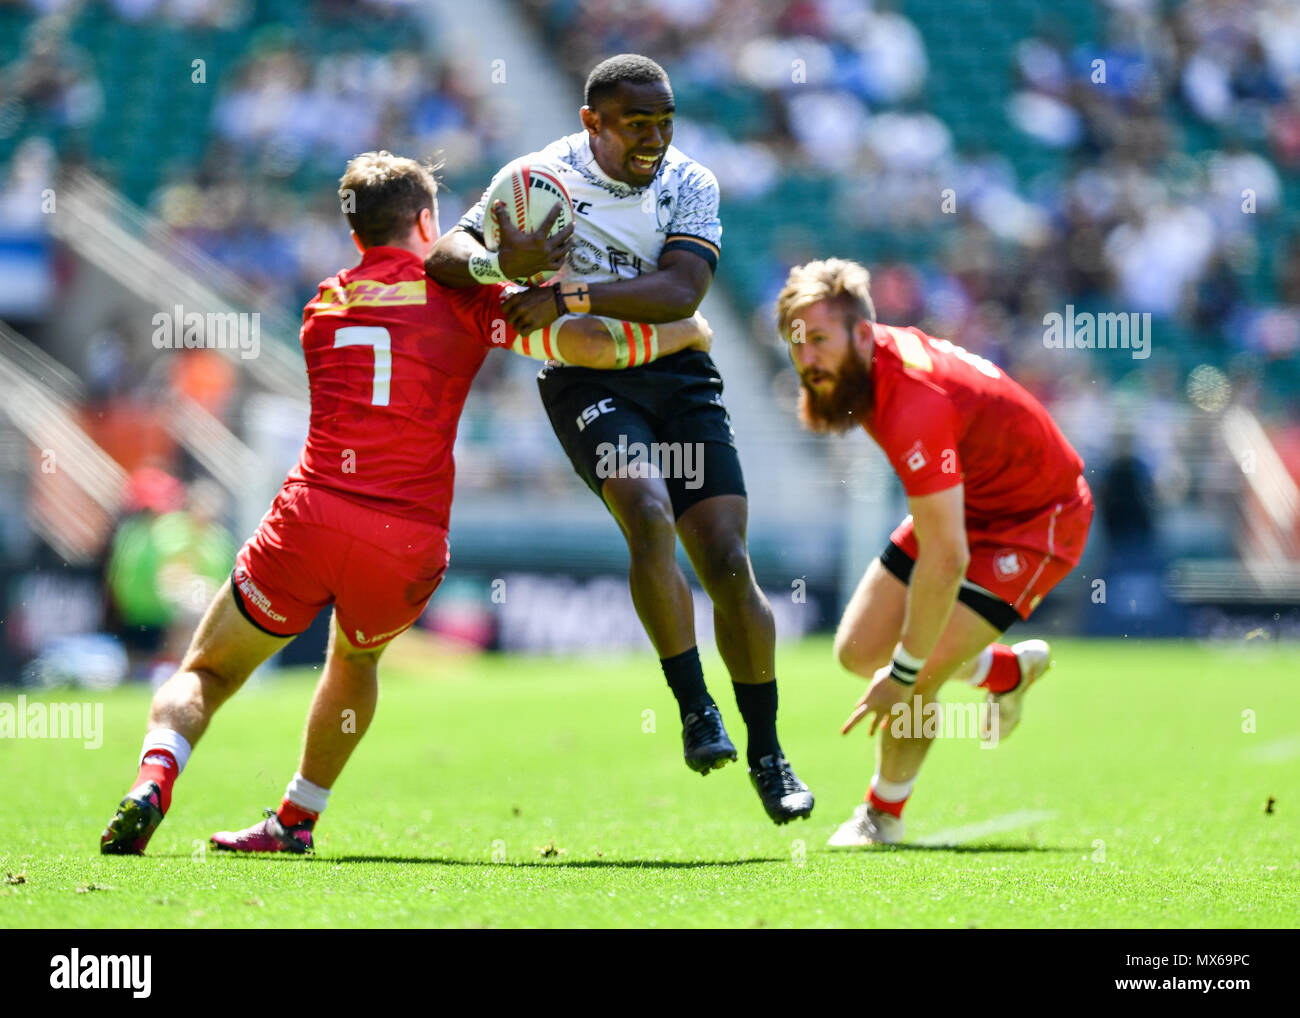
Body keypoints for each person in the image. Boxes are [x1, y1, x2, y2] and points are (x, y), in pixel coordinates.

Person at [100, 150, 712, 855]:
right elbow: (582, 348)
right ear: (427, 220)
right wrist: (680, 331)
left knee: (206, 671)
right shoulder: (460, 298)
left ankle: (154, 778)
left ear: (356, 233)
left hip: (309, 518)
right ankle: (295, 821)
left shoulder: (322, 302)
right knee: (354, 663)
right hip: (405, 539)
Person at [427, 54, 813, 825]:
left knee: (728, 560)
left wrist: (568, 290)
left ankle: (769, 751)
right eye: (637, 123)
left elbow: (681, 291)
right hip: (586, 381)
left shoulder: (689, 183)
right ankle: (696, 707)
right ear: (591, 123)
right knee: (645, 511)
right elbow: (445, 257)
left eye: (665, 121)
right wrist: (496, 261)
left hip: (679, 372)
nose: (655, 137)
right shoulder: (540, 180)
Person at [774, 258, 1094, 846]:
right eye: (797, 344)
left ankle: (882, 815)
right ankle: (1005, 671)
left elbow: (946, 559)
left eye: (818, 339)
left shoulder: (910, 402)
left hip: (1038, 518)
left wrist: (904, 671)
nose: (807, 360)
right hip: (967, 498)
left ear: (862, 335)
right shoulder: (866, 368)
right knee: (856, 651)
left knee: (911, 676)